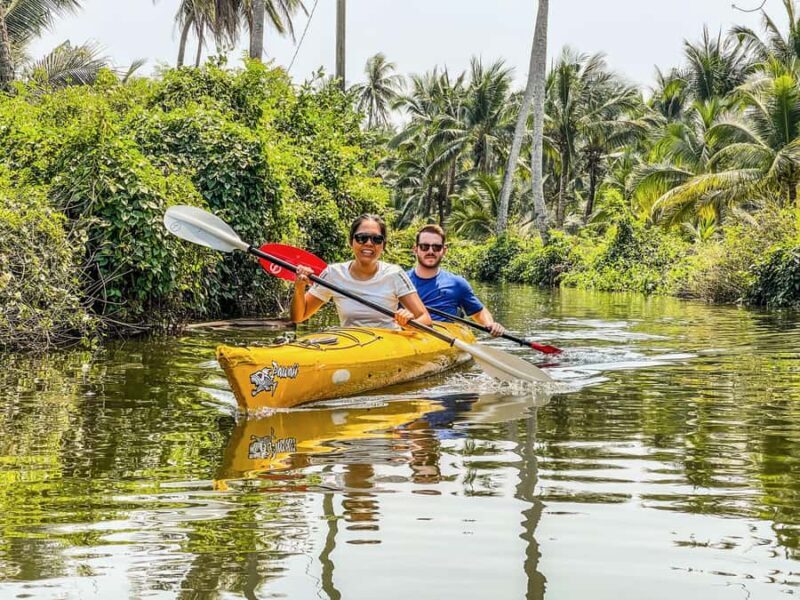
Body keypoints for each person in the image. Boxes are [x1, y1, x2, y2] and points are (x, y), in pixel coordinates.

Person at [291, 214, 432, 329]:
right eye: (362, 238)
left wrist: (408, 323)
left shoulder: (394, 274)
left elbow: (425, 319)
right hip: (350, 344)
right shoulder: (333, 273)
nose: (369, 243)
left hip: (387, 345)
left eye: (376, 239)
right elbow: (298, 317)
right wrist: (299, 287)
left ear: (383, 245)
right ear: (351, 241)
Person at [408, 224, 505, 337]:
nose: (430, 251)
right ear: (415, 249)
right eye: (425, 247)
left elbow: (479, 312)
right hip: (408, 333)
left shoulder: (457, 284)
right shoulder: (399, 280)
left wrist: (490, 324)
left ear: (444, 251)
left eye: (436, 247)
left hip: (442, 337)